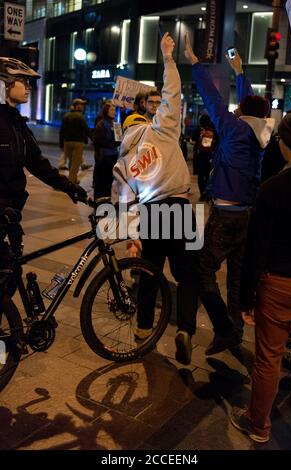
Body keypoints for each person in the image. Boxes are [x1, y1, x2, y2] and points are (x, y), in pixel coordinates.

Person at [113, 33, 201, 366]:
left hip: (150, 214)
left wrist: (132, 239)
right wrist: (167, 57)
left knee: (150, 272)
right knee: (188, 273)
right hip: (179, 206)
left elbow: (123, 203)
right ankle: (187, 329)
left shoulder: (122, 162)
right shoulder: (161, 129)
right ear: (144, 121)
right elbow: (172, 93)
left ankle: (142, 330)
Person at [184, 35, 275, 355]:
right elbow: (252, 105)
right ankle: (234, 330)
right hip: (248, 214)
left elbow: (211, 98)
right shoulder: (260, 131)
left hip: (225, 213)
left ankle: (223, 326)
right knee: (236, 278)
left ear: (242, 114)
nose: (234, 111)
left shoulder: (234, 129)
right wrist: (240, 74)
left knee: (202, 269)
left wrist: (195, 63)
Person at [230, 110, 291, 443]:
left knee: (269, 358)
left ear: (287, 145)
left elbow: (255, 251)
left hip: (279, 284)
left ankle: (258, 424)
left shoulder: (274, 188)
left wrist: (246, 300)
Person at [0, 57, 87, 292]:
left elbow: (38, 164)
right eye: (23, 81)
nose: (29, 87)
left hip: (11, 215)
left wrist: (70, 186)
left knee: (10, 276)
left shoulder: (16, 123)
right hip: (2, 210)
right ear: (4, 83)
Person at [59, 98, 92, 183]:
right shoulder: (81, 117)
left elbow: (62, 131)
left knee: (71, 162)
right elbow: (87, 130)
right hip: (78, 143)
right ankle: (71, 182)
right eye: (81, 105)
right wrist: (93, 139)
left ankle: (74, 178)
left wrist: (61, 143)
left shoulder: (66, 116)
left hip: (67, 142)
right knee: (75, 163)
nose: (83, 107)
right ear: (77, 106)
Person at [93, 100, 119, 199]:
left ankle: (106, 202)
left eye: (115, 110)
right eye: (112, 110)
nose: (114, 112)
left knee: (108, 182)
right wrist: (111, 143)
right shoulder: (101, 124)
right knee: (101, 183)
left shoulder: (115, 124)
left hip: (112, 157)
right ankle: (99, 203)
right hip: (104, 158)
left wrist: (118, 136)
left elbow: (118, 142)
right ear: (106, 111)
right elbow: (97, 141)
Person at [191, 114, 217, 200]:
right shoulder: (214, 130)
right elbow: (216, 143)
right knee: (208, 175)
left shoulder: (198, 130)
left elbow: (192, 140)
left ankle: (202, 194)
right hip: (209, 157)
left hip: (199, 157)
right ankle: (207, 194)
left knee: (200, 176)